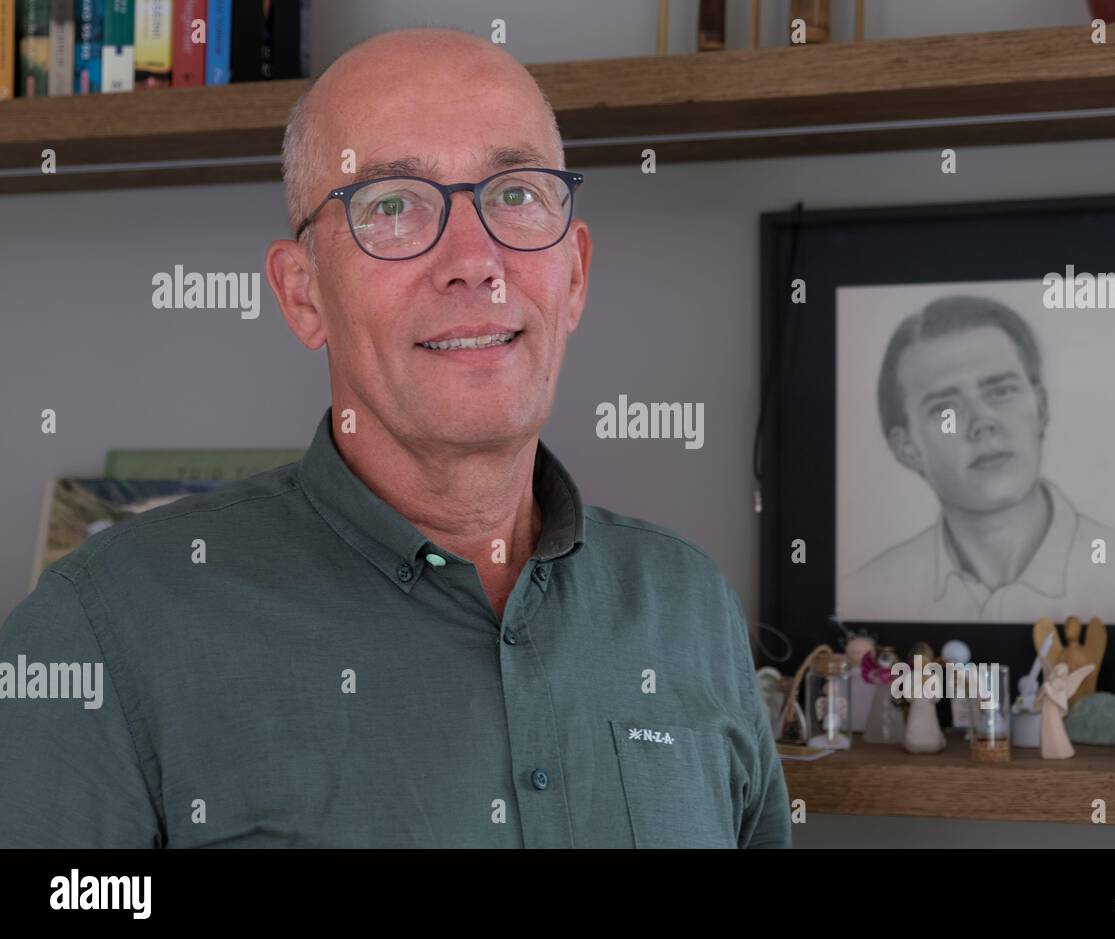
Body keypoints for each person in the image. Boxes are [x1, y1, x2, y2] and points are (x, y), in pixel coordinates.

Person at [0, 28, 789, 849]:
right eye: (392, 205)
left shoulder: (689, 607)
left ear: (575, 275)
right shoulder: (99, 633)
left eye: (516, 193)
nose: (475, 261)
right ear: (302, 295)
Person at [838, 295, 1115, 623]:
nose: (982, 422)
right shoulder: (862, 596)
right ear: (906, 447)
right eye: (945, 409)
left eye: (1001, 392)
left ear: (1040, 409)